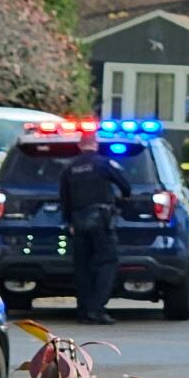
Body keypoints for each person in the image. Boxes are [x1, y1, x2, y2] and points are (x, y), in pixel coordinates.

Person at [59, 129, 131, 325]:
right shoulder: (103, 163)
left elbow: (64, 199)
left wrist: (69, 222)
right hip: (100, 220)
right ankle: (96, 309)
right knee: (107, 262)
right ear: (95, 145)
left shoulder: (70, 167)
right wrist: (121, 200)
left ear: (80, 146)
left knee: (82, 266)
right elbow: (125, 185)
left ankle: (83, 309)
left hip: (78, 221)